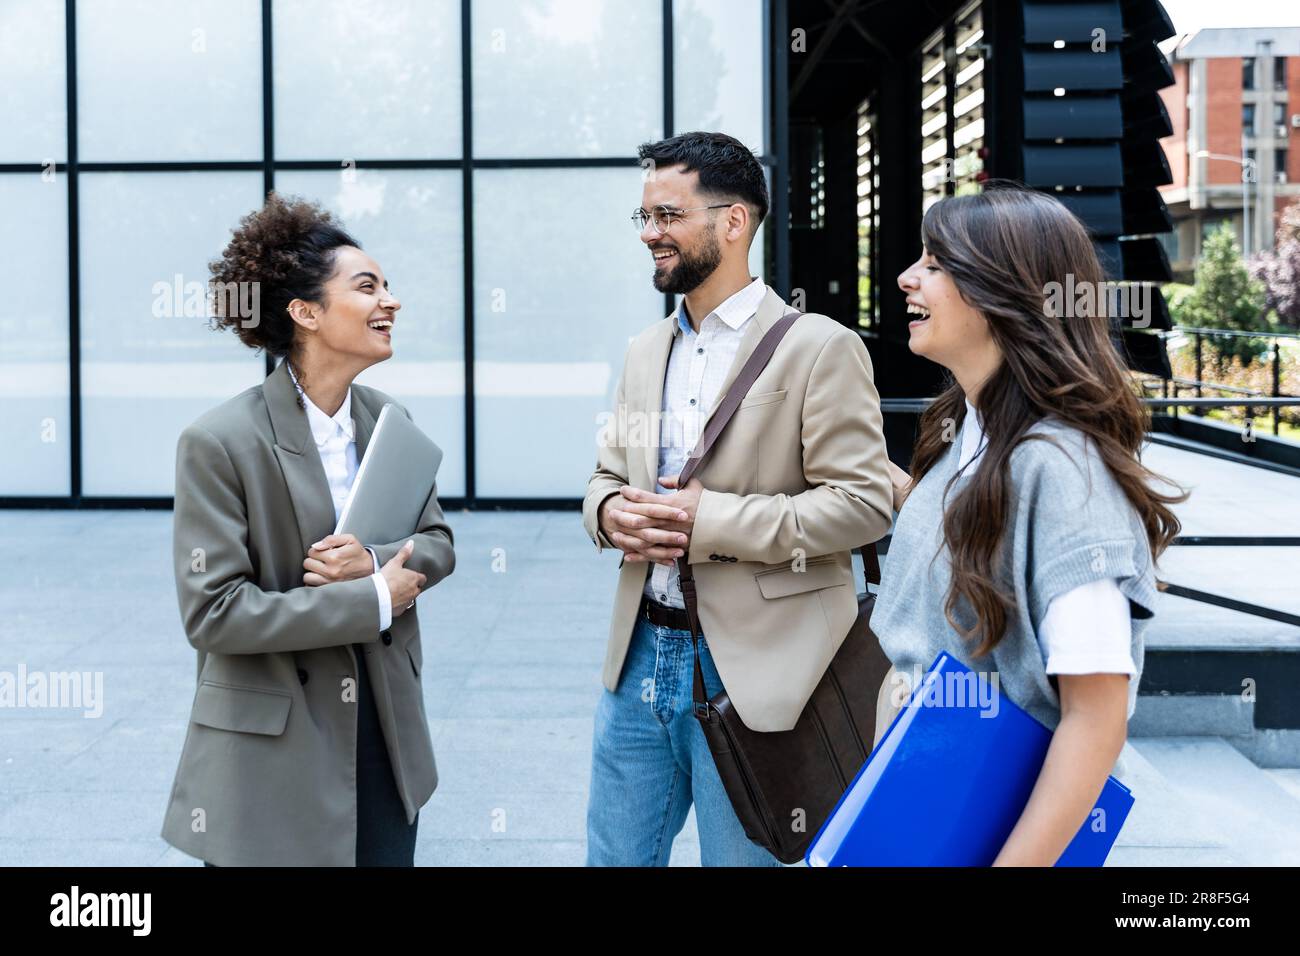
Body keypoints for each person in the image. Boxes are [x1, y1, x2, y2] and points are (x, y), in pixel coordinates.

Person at [582, 131, 893, 866]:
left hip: (763, 672)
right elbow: (603, 474)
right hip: (638, 663)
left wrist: (709, 522)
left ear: (733, 223)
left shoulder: (820, 346)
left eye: (667, 215)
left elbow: (864, 503)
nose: (650, 234)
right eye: (644, 218)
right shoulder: (642, 351)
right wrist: (608, 514)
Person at [874, 181, 1187, 865]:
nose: (907, 278)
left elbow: (1096, 717)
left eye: (935, 264)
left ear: (1001, 293)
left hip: (985, 818)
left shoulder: (1062, 470)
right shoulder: (971, 434)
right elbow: (976, 546)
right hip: (925, 794)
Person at [160, 194, 455, 866]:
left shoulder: (387, 420)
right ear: (306, 312)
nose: (391, 301)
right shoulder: (218, 441)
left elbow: (436, 543)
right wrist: (373, 598)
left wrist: (373, 561)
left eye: (388, 286)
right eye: (367, 286)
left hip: (382, 733)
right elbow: (215, 615)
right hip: (270, 751)